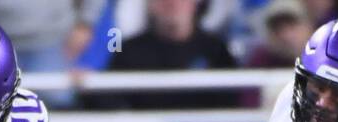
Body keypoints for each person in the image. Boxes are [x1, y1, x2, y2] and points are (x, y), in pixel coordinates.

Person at [99, 0, 240, 111]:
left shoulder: (215, 50)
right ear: (151, 5)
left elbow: (233, 99)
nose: (173, 4)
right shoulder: (129, 51)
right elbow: (109, 98)